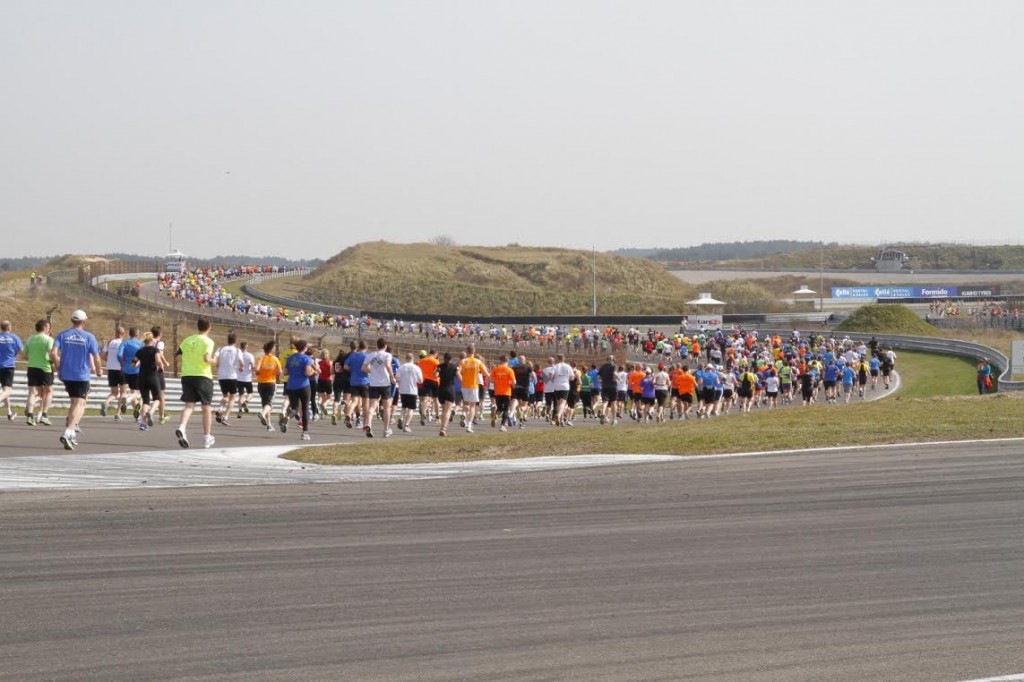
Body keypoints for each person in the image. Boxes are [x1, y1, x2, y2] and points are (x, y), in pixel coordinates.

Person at [51, 310, 101, 450]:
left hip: (67, 374)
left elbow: (53, 353)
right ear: (84, 322)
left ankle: (72, 433)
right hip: (81, 375)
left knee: (77, 402)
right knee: (79, 404)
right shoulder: (89, 337)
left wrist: (58, 366)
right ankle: (68, 431)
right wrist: (99, 370)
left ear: (71, 320)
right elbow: (96, 357)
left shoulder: (62, 334)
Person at [175, 317, 217, 449]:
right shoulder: (208, 341)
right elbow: (206, 358)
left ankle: (182, 427)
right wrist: (214, 360)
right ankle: (206, 437)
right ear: (209, 326)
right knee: (206, 408)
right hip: (202, 376)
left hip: (187, 375)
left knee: (189, 406)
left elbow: (177, 354)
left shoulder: (187, 340)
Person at [282, 338, 315, 440]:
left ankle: (287, 417)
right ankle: (305, 432)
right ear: (305, 348)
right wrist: (313, 372)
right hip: (303, 385)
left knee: (294, 408)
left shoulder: (290, 358)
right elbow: (307, 372)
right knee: (304, 409)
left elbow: (285, 372)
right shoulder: (306, 358)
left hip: (291, 385)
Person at [361, 338, 395, 437]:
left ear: (377, 345)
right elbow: (388, 365)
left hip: (373, 383)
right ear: (385, 346)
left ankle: (368, 423)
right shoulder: (387, 355)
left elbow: (363, 368)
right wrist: (392, 377)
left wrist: (371, 371)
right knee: (386, 407)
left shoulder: (370, 355)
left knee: (372, 406)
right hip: (385, 383)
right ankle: (386, 430)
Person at [131, 332, 166, 430]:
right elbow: (158, 361)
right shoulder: (155, 350)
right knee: (158, 398)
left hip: (142, 378)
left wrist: (136, 364)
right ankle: (151, 412)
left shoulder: (140, 351)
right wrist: (161, 366)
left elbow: (133, 363)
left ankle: (143, 423)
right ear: (152, 340)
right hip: (153, 377)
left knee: (145, 401)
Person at [24, 319, 54, 426]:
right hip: (44, 368)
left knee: (33, 393)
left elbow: (23, 355)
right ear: (45, 327)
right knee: (49, 391)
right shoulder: (48, 339)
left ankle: (30, 416)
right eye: (49, 327)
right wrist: (54, 361)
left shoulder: (30, 339)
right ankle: (44, 415)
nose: (49, 329)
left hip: (32, 367)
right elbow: (52, 354)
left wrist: (33, 358)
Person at [457, 345, 488, 433]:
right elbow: (485, 373)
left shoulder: (463, 361)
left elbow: (458, 371)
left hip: (464, 386)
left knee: (466, 404)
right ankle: (469, 425)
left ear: (467, 352)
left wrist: (461, 379)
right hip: (474, 386)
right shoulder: (478, 361)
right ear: (474, 352)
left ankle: (463, 414)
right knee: (473, 406)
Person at [214, 332, 242, 425]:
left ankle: (220, 408)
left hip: (222, 376)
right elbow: (241, 363)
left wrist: (218, 364)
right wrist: (241, 367)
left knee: (225, 396)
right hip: (232, 376)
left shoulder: (221, 349)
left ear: (228, 340)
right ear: (235, 341)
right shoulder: (237, 351)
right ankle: (226, 417)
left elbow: (215, 359)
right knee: (232, 398)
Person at [100, 326, 126, 420]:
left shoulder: (109, 342)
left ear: (116, 333)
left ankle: (106, 402)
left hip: (111, 369)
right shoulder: (124, 343)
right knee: (123, 393)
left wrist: (109, 360)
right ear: (123, 334)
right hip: (121, 369)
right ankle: (118, 414)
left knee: (114, 393)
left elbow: (102, 355)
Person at [255, 340, 282, 431]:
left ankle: (269, 425)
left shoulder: (260, 359)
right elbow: (280, 372)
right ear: (271, 350)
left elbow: (256, 371)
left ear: (264, 350)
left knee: (265, 404)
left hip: (261, 383)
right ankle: (262, 415)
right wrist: (273, 372)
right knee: (269, 404)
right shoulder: (275, 359)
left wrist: (262, 371)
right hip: (270, 382)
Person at [0, 320, 24, 420]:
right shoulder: (14, 337)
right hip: (9, 367)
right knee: (9, 391)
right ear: (9, 327)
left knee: (5, 391)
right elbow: (22, 351)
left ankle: (9, 412)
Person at [395, 352, 423, 434]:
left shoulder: (401, 367)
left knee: (404, 407)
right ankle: (406, 425)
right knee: (410, 409)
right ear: (413, 358)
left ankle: (401, 418)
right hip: (412, 390)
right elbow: (420, 380)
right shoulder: (416, 368)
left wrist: (402, 381)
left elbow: (397, 378)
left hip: (403, 389)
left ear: (406, 358)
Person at [343, 340, 368, 429]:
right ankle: (366, 422)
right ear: (366, 348)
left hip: (353, 381)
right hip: (364, 381)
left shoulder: (352, 355)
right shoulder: (366, 356)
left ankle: (349, 415)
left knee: (354, 401)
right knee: (365, 403)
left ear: (358, 347)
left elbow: (345, 366)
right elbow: (367, 368)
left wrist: (352, 370)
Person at [490, 354, 516, 431]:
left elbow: (491, 379)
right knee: (506, 409)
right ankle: (502, 426)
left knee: (500, 408)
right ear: (507, 361)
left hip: (498, 392)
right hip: (506, 392)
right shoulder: (509, 370)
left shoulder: (496, 369)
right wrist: (513, 386)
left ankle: (496, 415)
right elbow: (514, 381)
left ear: (500, 361)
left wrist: (497, 381)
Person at [436, 352, 458, 437]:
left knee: (443, 410)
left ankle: (442, 427)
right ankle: (444, 428)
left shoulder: (439, 366)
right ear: (451, 359)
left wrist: (438, 371)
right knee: (448, 410)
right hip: (450, 389)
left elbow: (435, 375)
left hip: (441, 389)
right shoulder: (454, 367)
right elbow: (459, 377)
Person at [417, 349, 440, 426]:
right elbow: (438, 371)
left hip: (425, 380)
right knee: (436, 399)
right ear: (435, 354)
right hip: (434, 381)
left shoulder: (422, 361)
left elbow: (419, 370)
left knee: (426, 399)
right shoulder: (436, 361)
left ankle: (423, 413)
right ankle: (437, 418)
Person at [236, 341, 255, 417]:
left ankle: (240, 411)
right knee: (250, 394)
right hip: (247, 378)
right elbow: (253, 366)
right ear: (247, 347)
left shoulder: (238, 355)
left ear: (240, 347)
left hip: (239, 378)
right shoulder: (250, 356)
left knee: (241, 396)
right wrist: (253, 372)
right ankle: (246, 402)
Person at [315, 348, 333, 421]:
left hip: (320, 380)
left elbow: (318, 371)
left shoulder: (319, 363)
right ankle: (324, 405)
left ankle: (319, 404)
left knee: (322, 396)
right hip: (328, 380)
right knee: (329, 397)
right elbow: (331, 372)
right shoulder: (330, 363)